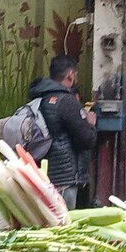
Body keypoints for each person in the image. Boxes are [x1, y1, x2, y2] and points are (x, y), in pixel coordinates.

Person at [27, 54, 97, 210]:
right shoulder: (67, 101)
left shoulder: (40, 98)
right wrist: (91, 124)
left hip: (46, 175)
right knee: (63, 225)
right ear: (70, 75)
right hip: (66, 178)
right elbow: (86, 139)